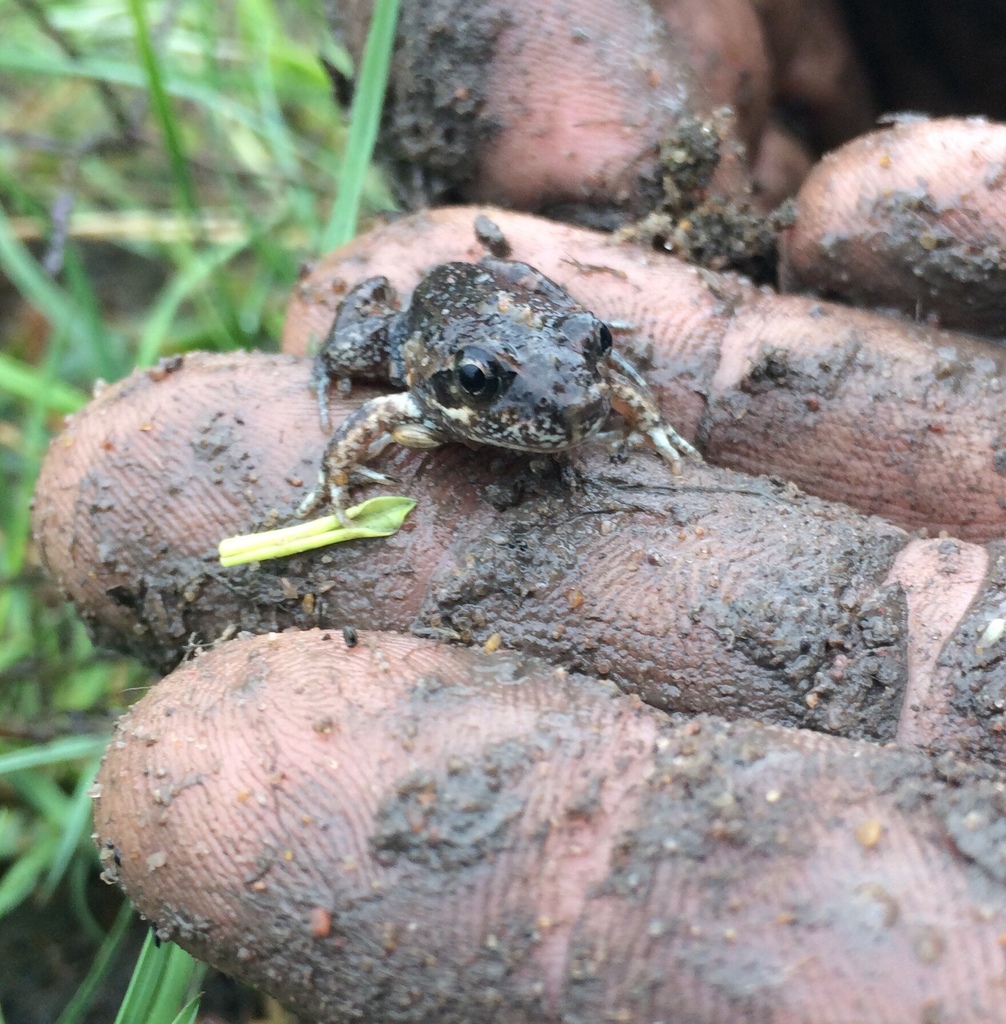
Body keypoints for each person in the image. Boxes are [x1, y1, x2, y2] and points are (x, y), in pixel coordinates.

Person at [35, 2, 1006, 1020]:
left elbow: (600, 379)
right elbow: (361, 433)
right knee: (371, 340)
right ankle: (492, 350)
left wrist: (637, 411)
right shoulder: (422, 398)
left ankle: (542, 338)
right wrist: (332, 475)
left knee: (563, 363)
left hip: (514, 317)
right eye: (488, 390)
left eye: (594, 369)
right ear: (453, 390)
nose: (577, 404)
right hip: (448, 319)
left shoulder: (575, 385)